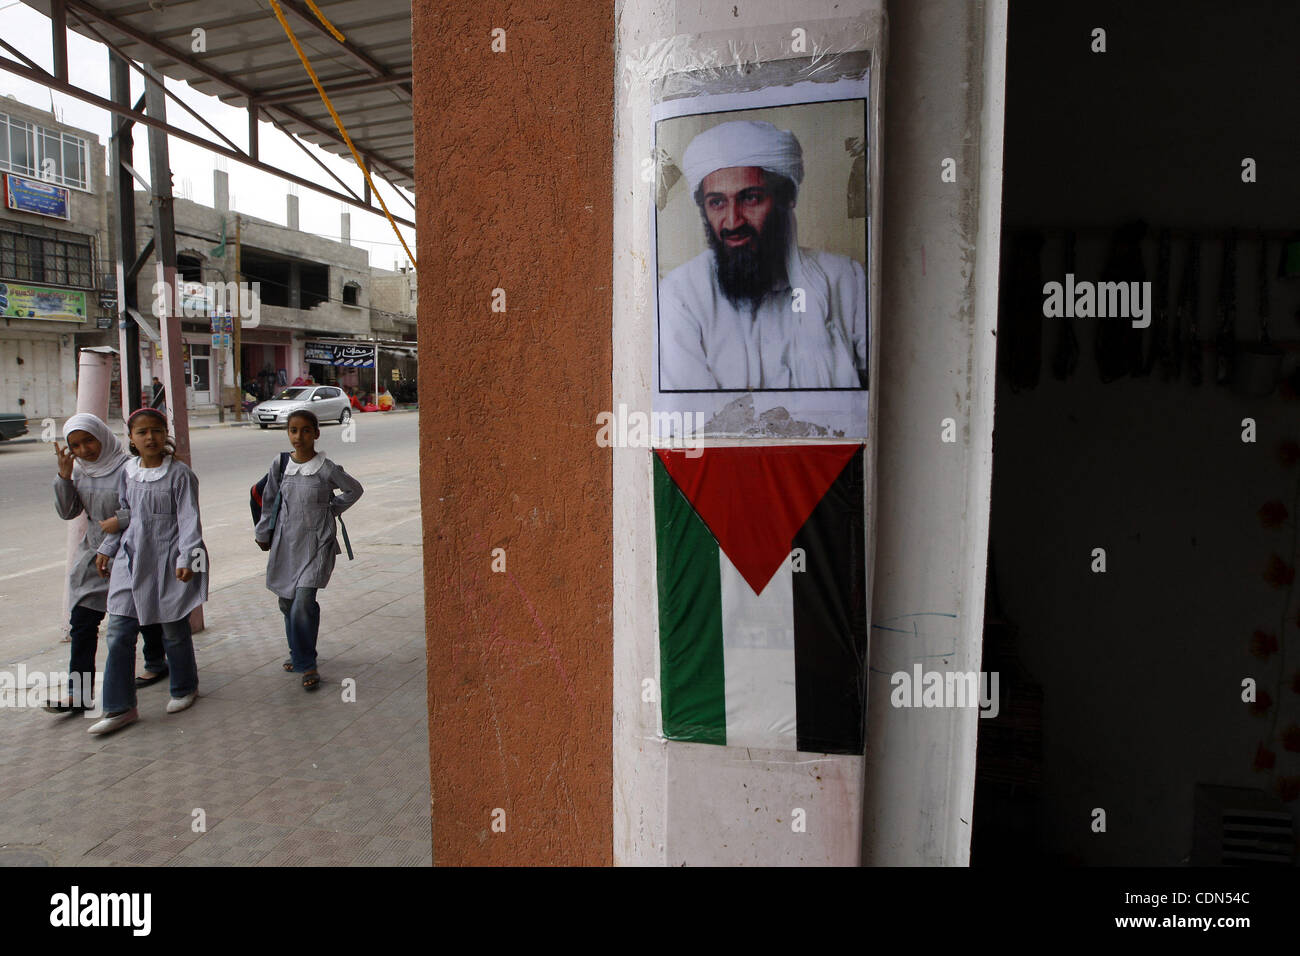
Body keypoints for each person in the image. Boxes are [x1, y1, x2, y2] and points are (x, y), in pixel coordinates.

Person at [658, 119, 868, 390]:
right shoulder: (681, 296)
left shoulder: (847, 280)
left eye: (750, 198)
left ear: (787, 198)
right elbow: (693, 412)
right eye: (717, 202)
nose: (733, 221)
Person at [88, 408, 205, 735]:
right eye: (142, 432)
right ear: (131, 438)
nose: (150, 437)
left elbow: (189, 520)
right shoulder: (128, 472)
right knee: (119, 631)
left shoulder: (180, 475)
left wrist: (187, 559)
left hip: (168, 560)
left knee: (173, 628)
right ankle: (120, 707)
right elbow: (125, 514)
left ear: (165, 433)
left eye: (156, 430)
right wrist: (107, 547)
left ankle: (184, 687)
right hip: (130, 560)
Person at [45, 414, 169, 713]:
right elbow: (68, 512)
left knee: (139, 615)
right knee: (82, 622)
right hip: (93, 555)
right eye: (76, 445)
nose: (84, 450)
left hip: (131, 551)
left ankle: (155, 662)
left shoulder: (130, 468)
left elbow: (144, 507)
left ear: (102, 436)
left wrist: (119, 521)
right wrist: (64, 477)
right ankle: (78, 692)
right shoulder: (79, 471)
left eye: (89, 441)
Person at [254, 409, 364, 690]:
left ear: (316, 433)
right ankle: (297, 652)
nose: (299, 436)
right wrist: (263, 532)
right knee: (286, 603)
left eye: (305, 430)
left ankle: (307, 664)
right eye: (293, 430)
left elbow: (354, 490)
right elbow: (269, 500)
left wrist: (331, 509)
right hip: (286, 543)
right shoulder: (280, 465)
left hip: (317, 544)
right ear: (288, 433)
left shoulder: (326, 468)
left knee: (303, 601)